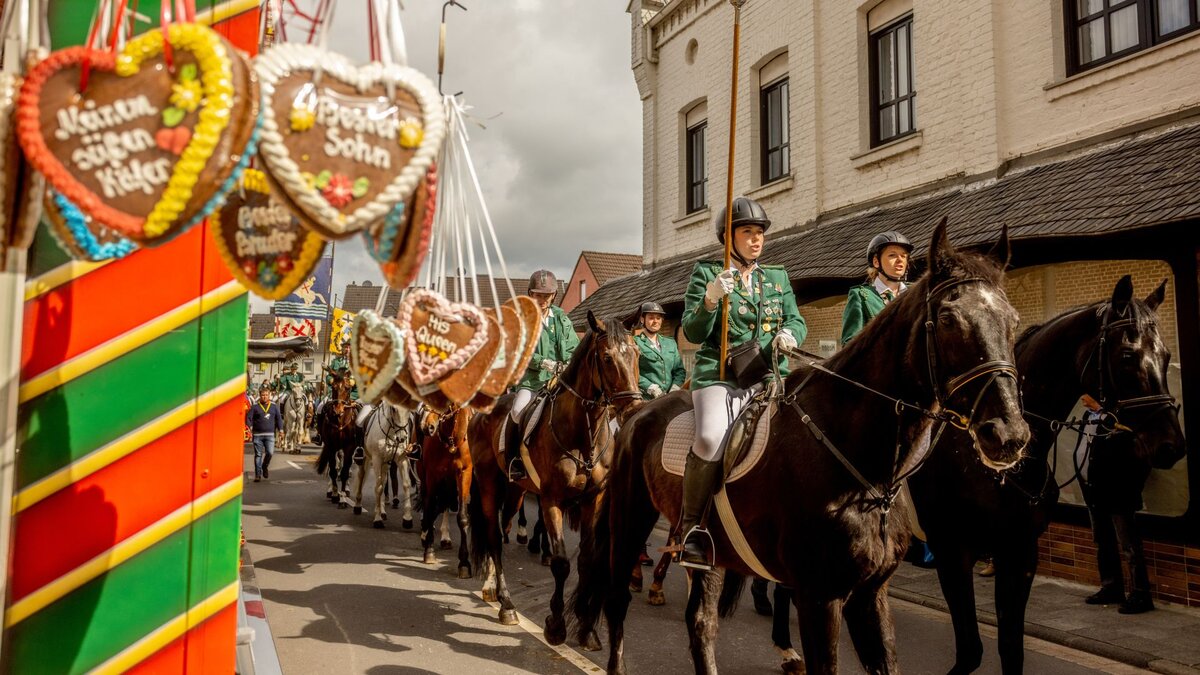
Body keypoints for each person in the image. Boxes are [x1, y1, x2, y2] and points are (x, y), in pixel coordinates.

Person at [678, 196, 807, 569]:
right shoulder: (706, 273)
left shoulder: (777, 277)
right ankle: (692, 529)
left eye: (759, 233)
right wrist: (710, 299)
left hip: (767, 374)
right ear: (727, 237)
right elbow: (691, 331)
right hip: (719, 376)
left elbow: (797, 319)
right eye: (747, 232)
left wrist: (790, 335)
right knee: (710, 437)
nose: (756, 240)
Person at [1080, 411, 1156, 614]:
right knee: (1103, 542)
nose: (1082, 398)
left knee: (1129, 545)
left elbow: (1137, 456)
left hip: (1118, 493)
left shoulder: (1118, 418)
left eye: (1087, 394)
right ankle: (1111, 587)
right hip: (1094, 492)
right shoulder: (1088, 416)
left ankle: (1141, 594)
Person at [508, 269, 580, 480]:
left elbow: (573, 347)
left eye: (546, 295)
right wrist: (543, 362)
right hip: (531, 382)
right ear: (530, 294)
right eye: (538, 295)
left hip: (559, 382)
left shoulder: (562, 319)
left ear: (553, 296)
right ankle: (515, 460)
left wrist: (567, 363)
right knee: (517, 410)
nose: (542, 299)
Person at [840, 231, 913, 345]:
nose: (900, 260)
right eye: (892, 255)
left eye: (903, 256)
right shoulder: (860, 295)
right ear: (876, 261)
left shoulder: (916, 293)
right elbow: (850, 346)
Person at [634, 301, 686, 400]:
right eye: (651, 318)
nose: (655, 321)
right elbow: (632, 372)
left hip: (670, 399)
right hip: (646, 400)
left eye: (658, 318)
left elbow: (679, 370)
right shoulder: (634, 343)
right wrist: (651, 388)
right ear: (642, 319)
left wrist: (674, 389)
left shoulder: (670, 343)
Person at [246, 385, 284, 482]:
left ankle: (264, 466)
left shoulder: (274, 407)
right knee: (258, 455)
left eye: (266, 395)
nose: (264, 397)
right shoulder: (255, 407)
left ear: (269, 395)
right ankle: (258, 475)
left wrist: (281, 430)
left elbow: (279, 419)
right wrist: (249, 427)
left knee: (270, 453)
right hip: (257, 435)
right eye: (263, 395)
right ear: (260, 395)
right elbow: (248, 418)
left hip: (270, 435)